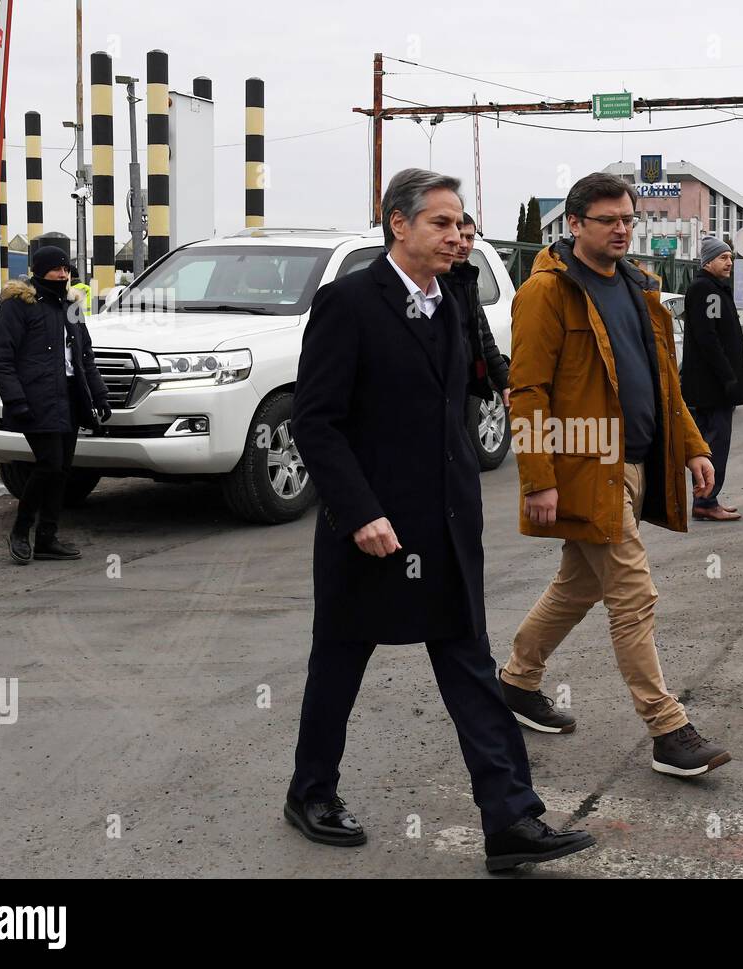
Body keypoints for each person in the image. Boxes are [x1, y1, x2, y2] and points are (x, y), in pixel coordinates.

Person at [286, 168, 596, 873]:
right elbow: (317, 421)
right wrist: (359, 512)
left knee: (471, 667)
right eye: (443, 224)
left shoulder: (453, 299)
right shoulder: (349, 303)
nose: (458, 236)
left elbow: (466, 393)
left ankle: (511, 819)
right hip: (373, 529)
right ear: (398, 224)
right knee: (339, 662)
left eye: (463, 226)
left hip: (447, 523)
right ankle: (310, 792)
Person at [502, 171, 732, 778]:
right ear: (574, 225)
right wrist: (538, 479)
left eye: (627, 219)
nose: (622, 229)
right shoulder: (547, 293)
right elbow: (526, 392)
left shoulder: (641, 290)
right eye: (607, 220)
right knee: (633, 595)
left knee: (578, 586)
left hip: (636, 465)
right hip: (586, 466)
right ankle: (668, 729)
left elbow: (664, 386)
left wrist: (693, 448)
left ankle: (517, 681)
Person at [0, 246, 110, 565]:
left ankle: (47, 538)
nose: (63, 274)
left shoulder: (71, 304)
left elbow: (85, 356)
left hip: (70, 395)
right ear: (39, 270)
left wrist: (100, 396)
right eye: (56, 268)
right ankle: (20, 530)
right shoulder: (18, 305)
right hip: (35, 397)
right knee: (49, 464)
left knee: (62, 470)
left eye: (66, 268)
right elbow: (1, 359)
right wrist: (15, 399)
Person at [680, 236, 743, 522]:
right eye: (723, 258)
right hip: (712, 387)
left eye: (731, 258)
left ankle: (707, 498)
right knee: (713, 443)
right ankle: (705, 502)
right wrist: (727, 377)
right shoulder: (706, 290)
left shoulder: (714, 289)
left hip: (714, 385)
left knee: (713, 443)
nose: (729, 262)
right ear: (708, 261)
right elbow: (708, 337)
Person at [445, 213, 510, 409]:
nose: (464, 244)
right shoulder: (429, 281)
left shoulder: (468, 281)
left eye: (470, 237)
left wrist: (505, 382)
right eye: (460, 235)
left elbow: (484, 339)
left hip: (463, 389)